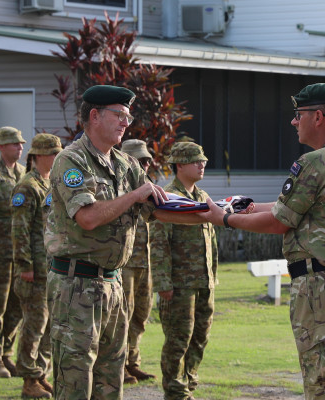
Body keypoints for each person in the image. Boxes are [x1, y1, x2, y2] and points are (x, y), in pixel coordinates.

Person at [199, 83, 325, 400]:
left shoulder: (316, 162)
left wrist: (223, 218)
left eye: (299, 115)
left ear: (318, 116)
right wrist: (250, 207)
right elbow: (296, 208)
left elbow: (279, 221)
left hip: (324, 285)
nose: (294, 122)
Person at [45, 84, 208, 400]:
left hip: (113, 285)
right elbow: (88, 217)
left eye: (127, 116)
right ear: (95, 116)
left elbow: (159, 209)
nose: (125, 122)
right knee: (74, 382)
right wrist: (135, 194)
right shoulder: (71, 160)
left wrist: (217, 212)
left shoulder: (126, 165)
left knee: (110, 383)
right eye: (118, 115)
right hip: (75, 286)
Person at [151, 141, 219, 400]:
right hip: (179, 284)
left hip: (203, 282)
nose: (202, 165)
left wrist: (213, 277)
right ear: (180, 165)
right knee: (178, 339)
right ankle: (175, 390)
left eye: (203, 161)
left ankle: (189, 382)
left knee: (200, 337)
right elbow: (158, 242)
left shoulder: (202, 198)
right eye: (196, 161)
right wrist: (163, 281)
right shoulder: (168, 197)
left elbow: (211, 241)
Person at [11, 133, 63, 399]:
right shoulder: (27, 187)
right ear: (38, 156)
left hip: (52, 270)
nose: (57, 158)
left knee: (48, 327)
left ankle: (40, 374)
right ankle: (29, 379)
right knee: (34, 326)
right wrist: (25, 265)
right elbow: (19, 231)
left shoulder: (51, 184)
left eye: (58, 153)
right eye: (53, 154)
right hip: (34, 271)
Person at [0, 126, 28, 378]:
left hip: (18, 255)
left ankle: (7, 354)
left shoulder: (23, 174)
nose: (19, 148)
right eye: (14, 144)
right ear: (1, 147)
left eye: (20, 144)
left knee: (16, 307)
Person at [118, 138, 156, 385]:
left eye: (147, 160)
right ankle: (118, 365)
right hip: (125, 263)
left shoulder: (149, 188)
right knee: (123, 315)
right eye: (140, 160)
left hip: (145, 262)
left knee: (141, 314)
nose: (145, 165)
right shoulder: (117, 187)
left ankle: (133, 362)